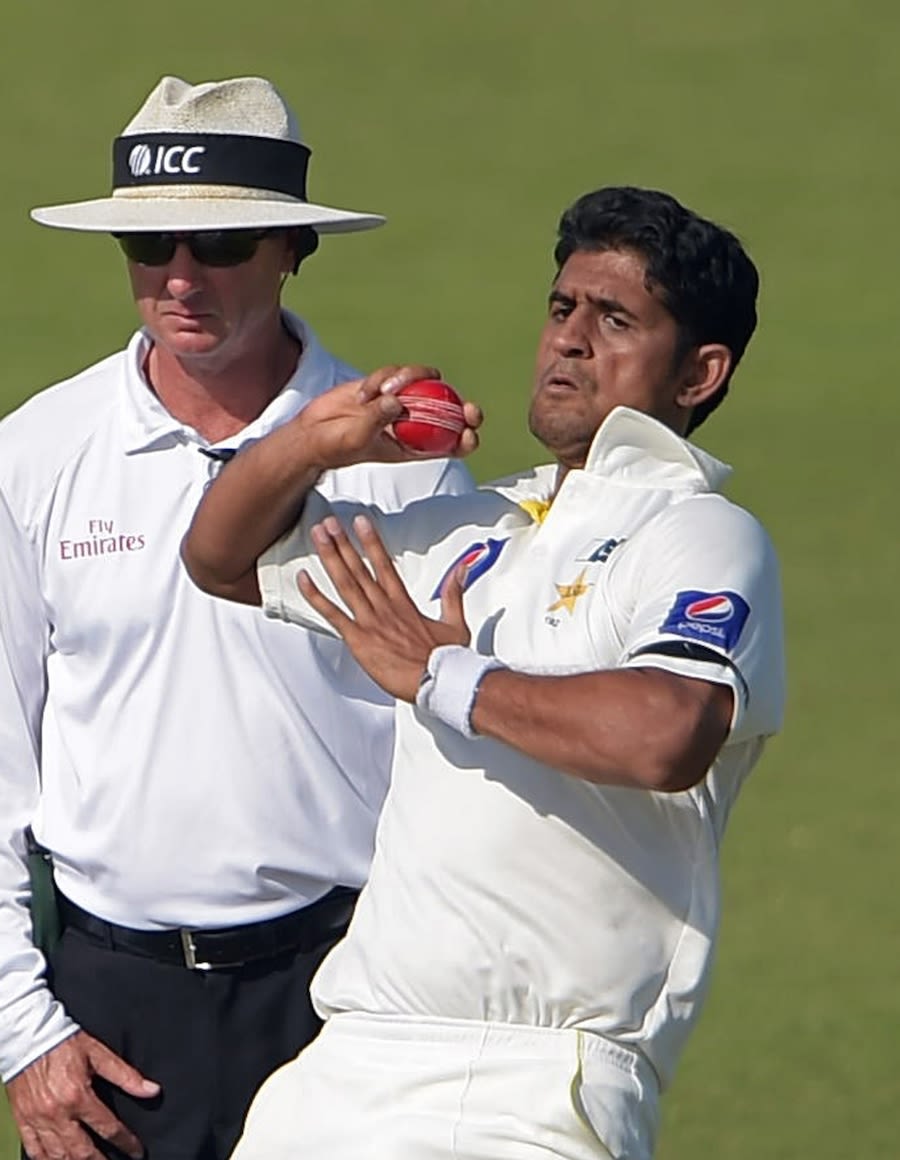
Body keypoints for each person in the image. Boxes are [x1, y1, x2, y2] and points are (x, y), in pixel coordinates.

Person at [182, 185, 786, 1160]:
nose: (570, 340)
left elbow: (665, 732)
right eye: (562, 308)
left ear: (700, 371)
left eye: (616, 318)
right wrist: (322, 439)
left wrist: (445, 674)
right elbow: (222, 558)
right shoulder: (474, 524)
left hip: (533, 1083)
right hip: (348, 1059)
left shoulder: (703, 533)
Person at [0, 74, 474, 1160]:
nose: (178, 278)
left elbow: (458, 753)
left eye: (217, 244)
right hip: (110, 1013)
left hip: (344, 992)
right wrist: (23, 1034)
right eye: (148, 246)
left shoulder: (410, 468)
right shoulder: (32, 456)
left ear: (291, 248)